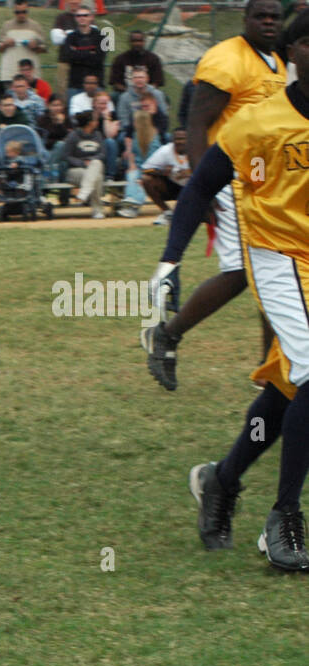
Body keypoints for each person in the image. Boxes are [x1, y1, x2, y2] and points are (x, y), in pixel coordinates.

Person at [163, 11, 309, 569]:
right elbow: (201, 182)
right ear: (296, 51)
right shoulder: (258, 120)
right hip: (276, 258)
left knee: (290, 390)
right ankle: (285, 521)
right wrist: (168, 262)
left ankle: (221, 481)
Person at [141, 0, 286, 391]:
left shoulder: (279, 60)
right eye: (261, 15)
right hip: (232, 180)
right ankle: (168, 335)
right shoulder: (226, 59)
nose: (269, 22)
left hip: (269, 183)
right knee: (242, 273)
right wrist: (202, 187)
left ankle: (270, 363)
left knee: (274, 270)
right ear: (246, 19)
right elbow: (197, 123)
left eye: (276, 16)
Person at [63, 109, 106, 218]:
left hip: (94, 167)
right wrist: (82, 163)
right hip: (76, 171)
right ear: (89, 123)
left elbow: (102, 154)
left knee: (96, 163)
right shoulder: (73, 136)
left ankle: (84, 193)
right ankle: (97, 210)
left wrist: (91, 161)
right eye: (95, 120)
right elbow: (66, 156)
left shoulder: (98, 135)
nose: (98, 122)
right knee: (98, 178)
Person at [141, 127, 189, 224]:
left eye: (183, 138)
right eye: (177, 139)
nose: (180, 142)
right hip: (171, 186)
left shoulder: (197, 149)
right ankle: (167, 213)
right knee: (146, 180)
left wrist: (190, 173)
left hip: (192, 187)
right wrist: (163, 172)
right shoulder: (166, 150)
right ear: (173, 140)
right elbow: (146, 169)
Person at [0, 1, 48, 82]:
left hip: (31, 76)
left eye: (24, 12)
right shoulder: (6, 26)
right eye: (18, 12)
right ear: (14, 12)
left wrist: (35, 46)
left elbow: (45, 49)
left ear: (28, 11)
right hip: (9, 75)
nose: (21, 15)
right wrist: (5, 44)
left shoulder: (35, 26)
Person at [61, 6, 107, 90]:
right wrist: (90, 53)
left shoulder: (102, 37)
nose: (82, 18)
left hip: (96, 84)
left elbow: (99, 59)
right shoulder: (70, 37)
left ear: (91, 17)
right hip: (75, 85)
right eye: (79, 15)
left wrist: (77, 53)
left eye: (85, 15)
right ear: (75, 18)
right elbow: (67, 57)